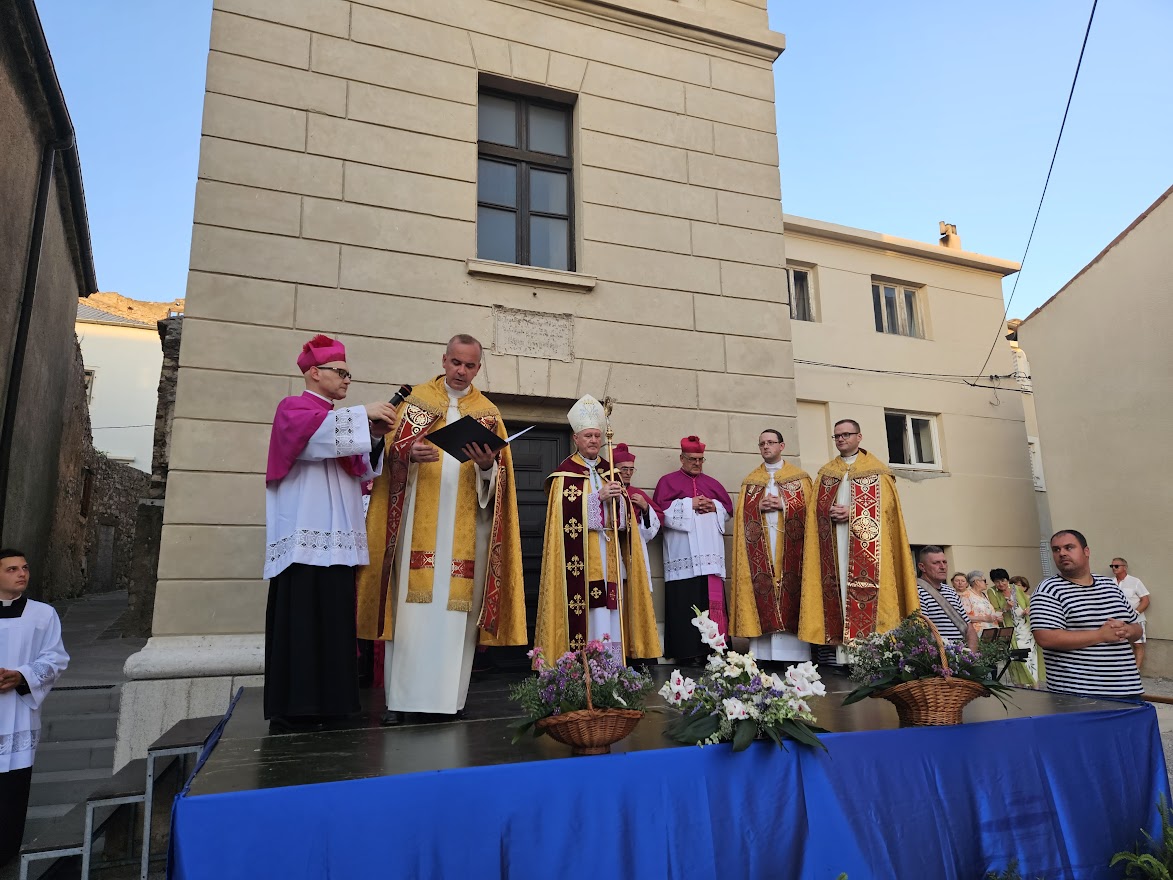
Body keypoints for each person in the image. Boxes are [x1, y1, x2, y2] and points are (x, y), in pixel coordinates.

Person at [357, 335, 526, 724]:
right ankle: (400, 702)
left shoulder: (487, 413)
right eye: (455, 363)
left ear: (478, 368)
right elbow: (378, 453)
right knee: (410, 615)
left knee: (455, 622)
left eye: (469, 366)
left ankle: (450, 701)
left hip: (465, 538)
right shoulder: (414, 402)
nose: (461, 371)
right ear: (444, 360)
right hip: (417, 525)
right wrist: (405, 453)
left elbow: (500, 486)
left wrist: (487, 466)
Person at [264, 335, 395, 729]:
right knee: (301, 623)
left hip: (338, 538)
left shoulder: (338, 421)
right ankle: (296, 708)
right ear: (314, 372)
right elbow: (312, 439)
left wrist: (372, 435)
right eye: (340, 372)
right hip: (304, 536)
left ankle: (337, 704)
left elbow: (363, 466)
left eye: (348, 373)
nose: (346, 379)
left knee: (336, 622)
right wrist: (361, 415)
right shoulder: (293, 409)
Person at [535, 396, 660, 661]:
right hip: (579, 559)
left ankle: (612, 667)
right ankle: (582, 665)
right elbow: (561, 516)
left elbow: (624, 524)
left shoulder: (611, 472)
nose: (593, 440)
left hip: (609, 555)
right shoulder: (564, 475)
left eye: (597, 435)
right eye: (588, 435)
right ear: (575, 438)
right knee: (590, 610)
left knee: (610, 609)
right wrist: (596, 498)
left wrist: (621, 504)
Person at [798, 419, 919, 660]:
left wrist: (852, 513)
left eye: (846, 434)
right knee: (840, 591)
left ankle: (872, 657)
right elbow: (813, 513)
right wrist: (827, 512)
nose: (841, 439)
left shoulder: (878, 472)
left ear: (859, 437)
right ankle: (843, 658)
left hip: (869, 553)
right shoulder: (826, 473)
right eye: (837, 436)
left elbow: (887, 512)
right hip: (834, 546)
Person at [0, 550, 68, 865]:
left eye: (25, 568)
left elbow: (55, 658)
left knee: (11, 794)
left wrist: (21, 676)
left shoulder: (43, 615)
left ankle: (7, 854)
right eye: (12, 569)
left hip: (16, 717)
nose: (21, 573)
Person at [729, 430, 813, 664]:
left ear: (782, 446)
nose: (766, 447)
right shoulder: (751, 481)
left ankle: (795, 655)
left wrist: (785, 505)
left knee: (791, 588)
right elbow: (741, 518)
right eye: (762, 444)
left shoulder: (800, 478)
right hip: (762, 551)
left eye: (771, 443)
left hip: (790, 549)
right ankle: (763, 655)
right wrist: (757, 508)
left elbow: (811, 513)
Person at [1032, 530, 1142, 698]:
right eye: (1056, 550)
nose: (1062, 553)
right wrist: (1100, 635)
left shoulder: (1110, 586)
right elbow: (1046, 638)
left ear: (1086, 551)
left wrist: (1127, 631)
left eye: (1069, 547)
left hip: (1128, 689)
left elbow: (1137, 629)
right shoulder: (1048, 590)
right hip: (1080, 695)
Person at [653, 436, 733, 664]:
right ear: (682, 458)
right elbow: (659, 512)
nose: (697, 464)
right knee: (684, 603)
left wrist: (714, 506)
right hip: (682, 557)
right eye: (692, 459)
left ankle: (714, 651)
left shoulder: (713, 483)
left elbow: (727, 509)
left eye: (700, 459)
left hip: (709, 558)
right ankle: (686, 653)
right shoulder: (667, 482)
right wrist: (690, 505)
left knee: (710, 601)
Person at [612, 443, 662, 594]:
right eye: (624, 469)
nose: (628, 473)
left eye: (631, 469)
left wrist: (645, 507)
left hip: (635, 549)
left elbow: (657, 521)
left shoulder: (637, 494)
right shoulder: (608, 490)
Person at [987, 567, 1042, 688]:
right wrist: (1006, 607)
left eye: (1003, 580)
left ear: (1007, 579)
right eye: (997, 581)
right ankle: (1021, 684)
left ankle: (1035, 684)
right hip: (1011, 629)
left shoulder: (1016, 588)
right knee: (1017, 657)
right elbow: (996, 611)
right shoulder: (992, 592)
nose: (1001, 584)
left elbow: (1028, 603)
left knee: (1031, 656)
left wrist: (1028, 609)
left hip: (1025, 626)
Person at [914, 546, 976, 648]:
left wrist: (971, 657)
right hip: (938, 658)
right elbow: (923, 631)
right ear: (922, 567)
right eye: (936, 563)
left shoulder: (951, 591)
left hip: (962, 657)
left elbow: (968, 627)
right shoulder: (916, 591)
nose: (943, 566)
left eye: (944, 562)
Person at [1111, 557, 1150, 670]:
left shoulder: (1135, 581)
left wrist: (1135, 613)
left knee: (1138, 644)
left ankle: (1136, 670)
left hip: (1136, 620)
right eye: (1112, 566)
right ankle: (1119, 669)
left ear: (1125, 567)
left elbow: (1146, 600)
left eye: (1116, 566)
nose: (1114, 568)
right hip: (1117, 621)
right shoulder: (1109, 582)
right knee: (1117, 645)